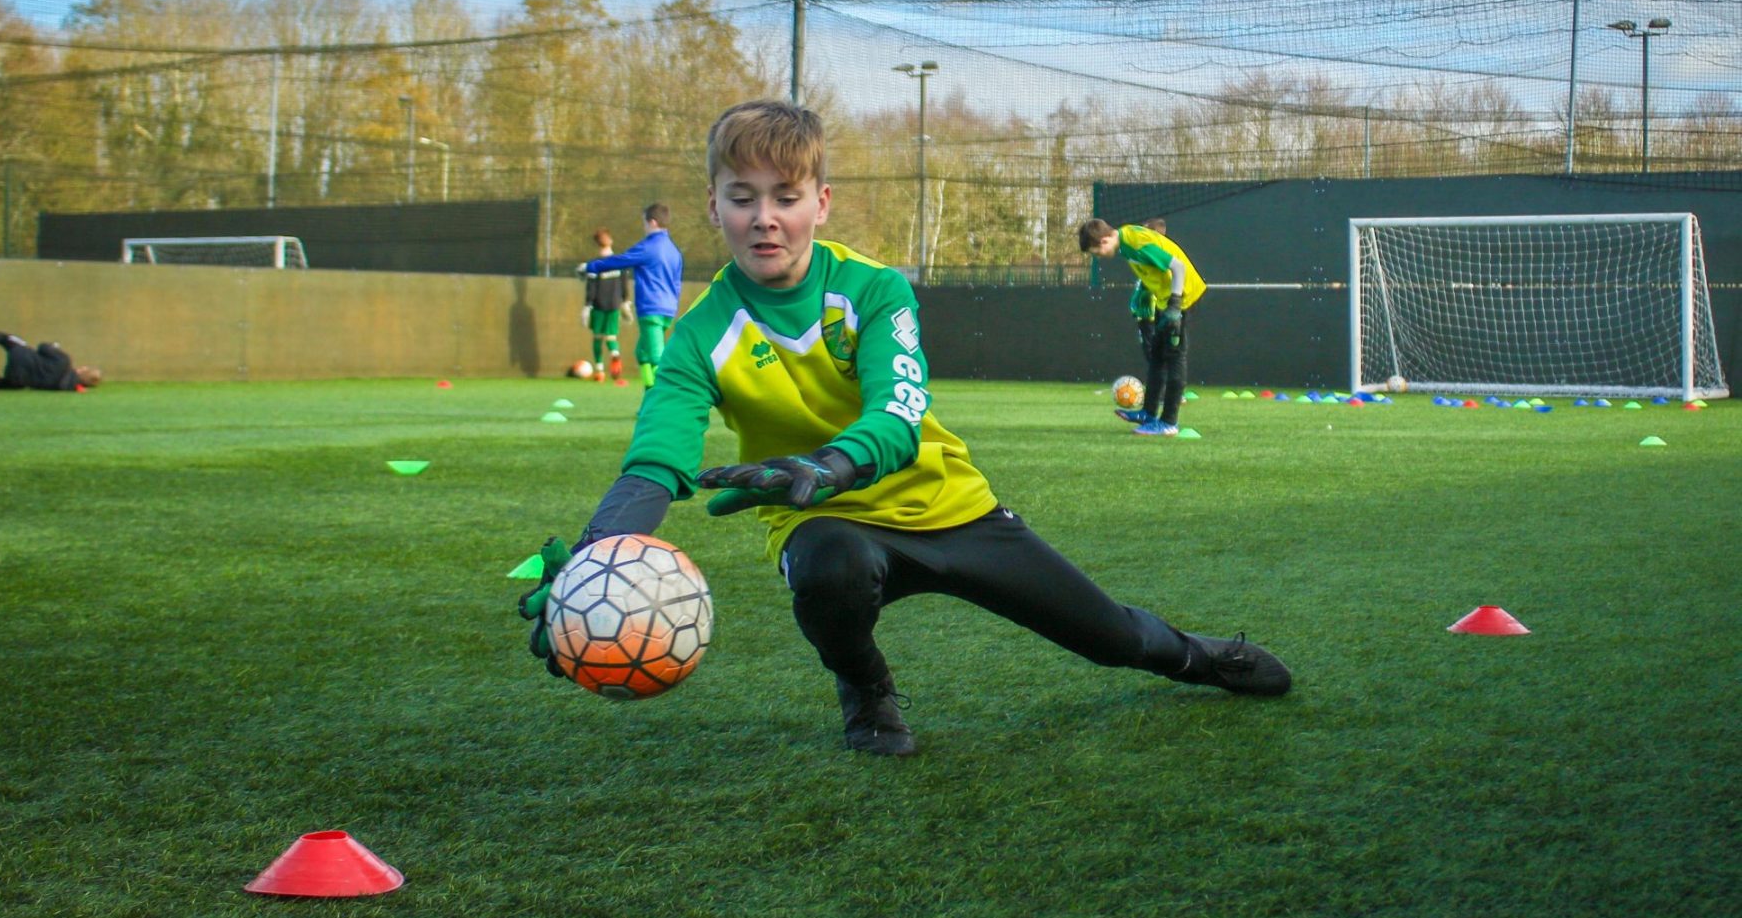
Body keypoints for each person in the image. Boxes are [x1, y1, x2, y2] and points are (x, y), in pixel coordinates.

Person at [518, 99, 1290, 757]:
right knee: (827, 567)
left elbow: (897, 413)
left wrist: (827, 464)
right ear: (713, 204)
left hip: (951, 510)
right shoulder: (697, 336)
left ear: (820, 202)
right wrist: (596, 558)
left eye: (785, 195)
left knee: (1112, 641)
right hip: (829, 523)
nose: (764, 219)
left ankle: (1196, 657)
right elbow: (658, 459)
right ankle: (864, 685)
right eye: (741, 196)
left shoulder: (873, 289)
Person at [1078, 216, 1207, 436]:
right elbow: (1153, 272)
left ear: (1104, 240)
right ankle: (1148, 412)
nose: (1098, 257)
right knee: (1157, 355)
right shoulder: (1127, 242)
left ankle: (1169, 422)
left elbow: (1178, 267)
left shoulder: (1136, 243)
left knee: (1175, 357)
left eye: (1095, 252)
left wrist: (1175, 307)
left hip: (1183, 297)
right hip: (1166, 300)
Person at [577, 203, 684, 390]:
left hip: (651, 309)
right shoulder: (674, 251)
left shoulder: (648, 247)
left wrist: (589, 267)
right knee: (642, 353)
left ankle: (665, 404)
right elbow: (676, 282)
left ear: (652, 222)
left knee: (656, 357)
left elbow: (619, 261)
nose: (643, 226)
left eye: (644, 222)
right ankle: (650, 393)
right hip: (668, 309)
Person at [0, 321, 101, 391]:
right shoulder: (63, 388)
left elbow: (43, 347)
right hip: (19, 378)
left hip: (20, 355)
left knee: (4, 338)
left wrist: (53, 347)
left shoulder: (64, 361)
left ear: (81, 371)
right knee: (10, 385)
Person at [577, 228, 634, 385]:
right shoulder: (619, 264)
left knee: (597, 337)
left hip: (598, 306)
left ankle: (600, 371)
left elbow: (591, 288)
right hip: (614, 305)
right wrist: (625, 302)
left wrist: (587, 306)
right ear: (611, 241)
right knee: (611, 337)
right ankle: (615, 354)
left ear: (596, 244)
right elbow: (624, 285)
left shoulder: (595, 265)